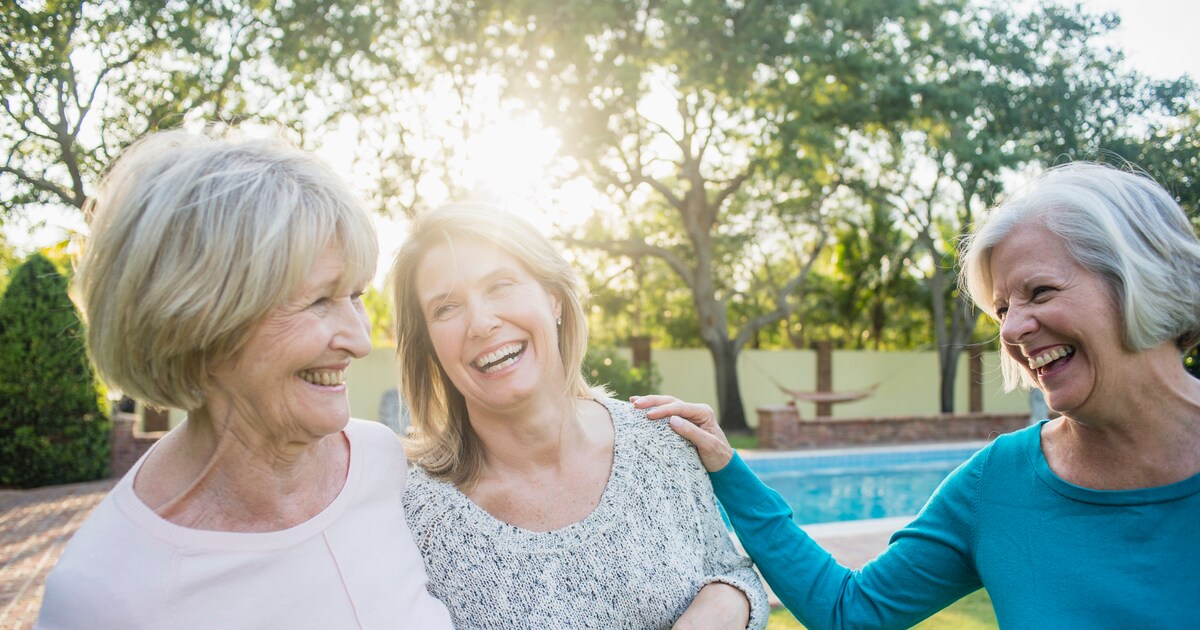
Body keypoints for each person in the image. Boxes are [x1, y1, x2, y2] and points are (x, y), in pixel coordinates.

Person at [636, 162, 1200, 628]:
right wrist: (727, 466)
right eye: (1003, 308)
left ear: (1142, 280)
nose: (1010, 330)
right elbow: (848, 610)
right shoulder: (998, 482)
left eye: (1041, 291)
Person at [37, 130, 452, 628]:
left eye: (356, 296)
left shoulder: (378, 460)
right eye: (319, 300)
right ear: (197, 321)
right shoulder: (101, 594)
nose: (360, 340)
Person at [390, 203, 769, 629]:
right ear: (428, 345)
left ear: (554, 299)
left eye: (500, 285)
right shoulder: (413, 515)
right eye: (445, 308)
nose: (480, 323)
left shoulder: (663, 441)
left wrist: (721, 604)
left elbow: (731, 571)